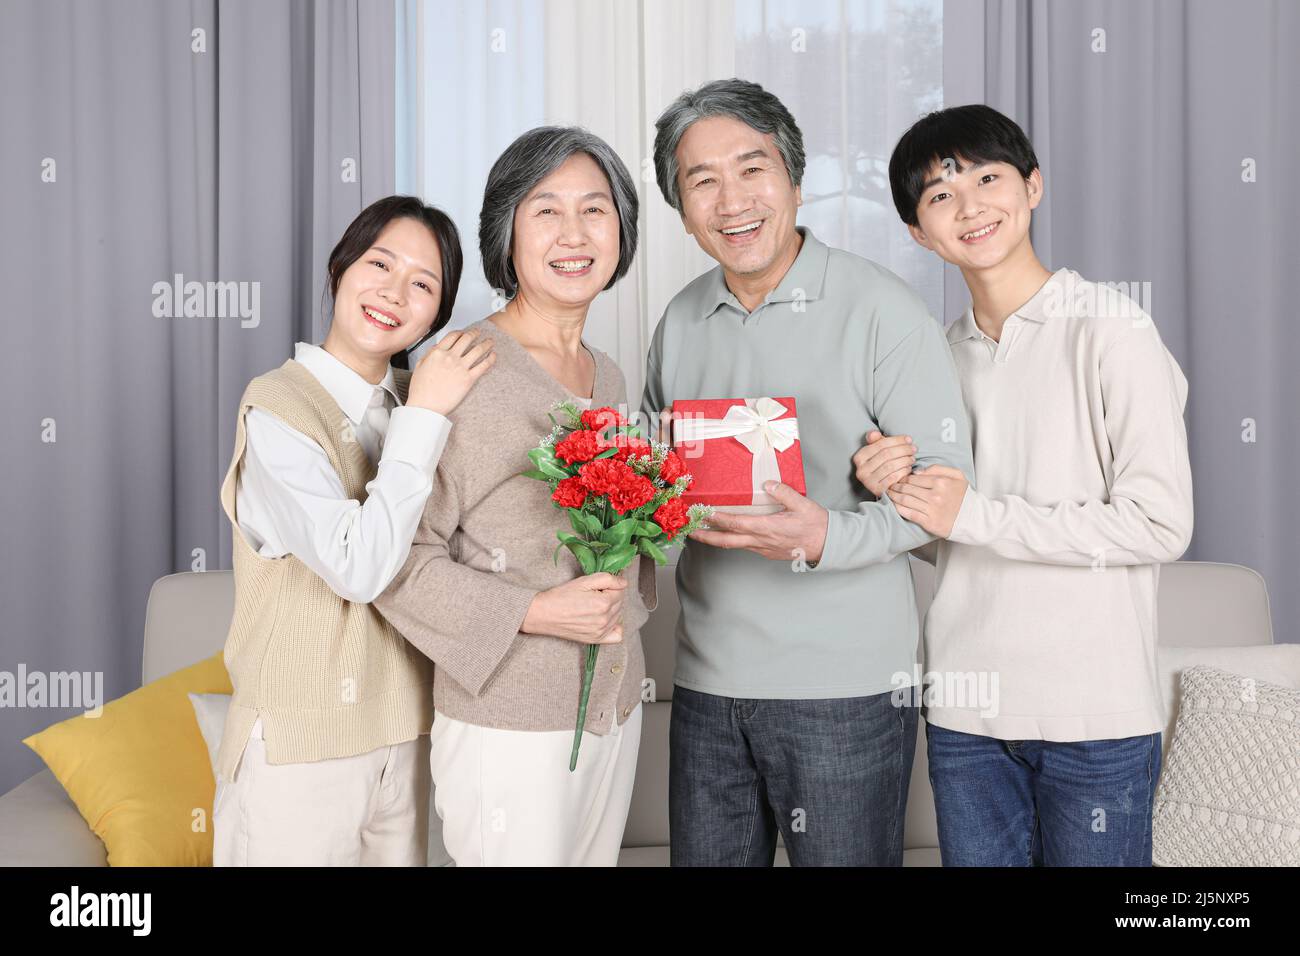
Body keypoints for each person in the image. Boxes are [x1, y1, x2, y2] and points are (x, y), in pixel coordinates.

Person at [641, 78, 974, 866]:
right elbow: (659, 485)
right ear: (681, 208)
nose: (732, 201)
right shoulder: (680, 319)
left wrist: (828, 534)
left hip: (847, 691)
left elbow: (942, 499)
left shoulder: (883, 311)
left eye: (752, 169)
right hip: (707, 683)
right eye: (702, 180)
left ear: (794, 179)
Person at [854, 103, 1193, 865]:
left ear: (1032, 186)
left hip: (1095, 716)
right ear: (917, 231)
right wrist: (899, 495)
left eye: (987, 176)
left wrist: (974, 515)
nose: (969, 205)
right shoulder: (934, 358)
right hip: (966, 716)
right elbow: (954, 543)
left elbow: (1159, 524)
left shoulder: (1113, 330)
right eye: (940, 195)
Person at [373, 127, 656, 866]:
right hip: (508, 725)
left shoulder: (610, 376)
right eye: (546, 211)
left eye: (595, 210)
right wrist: (532, 611)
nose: (574, 234)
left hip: (612, 711)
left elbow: (621, 538)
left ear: (622, 231)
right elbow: (392, 560)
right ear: (507, 232)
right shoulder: (462, 367)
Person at [212, 195, 497, 865]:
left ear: (438, 313)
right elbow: (358, 567)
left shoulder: (420, 397)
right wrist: (424, 415)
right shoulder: (278, 408)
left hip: (411, 739)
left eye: (423, 284)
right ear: (341, 269)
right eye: (380, 264)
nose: (395, 293)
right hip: (300, 754)